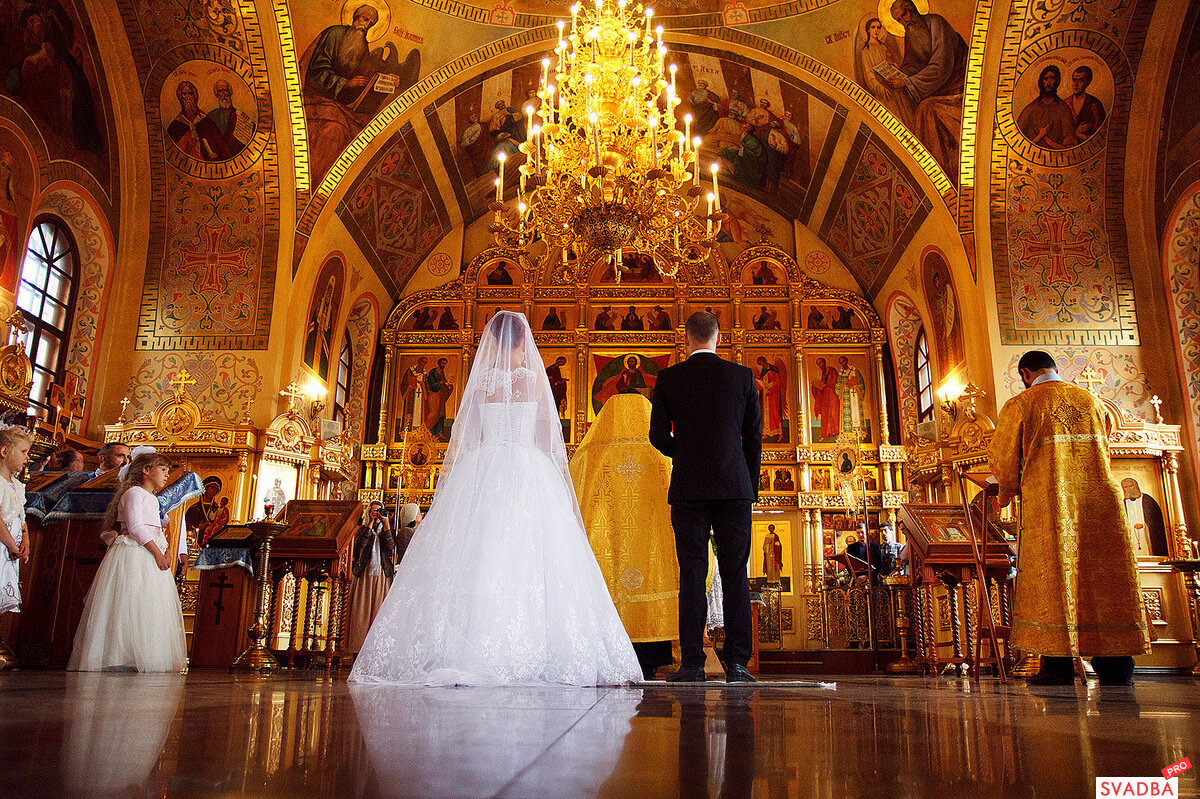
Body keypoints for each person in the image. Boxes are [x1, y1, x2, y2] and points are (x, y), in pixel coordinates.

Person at [350, 312, 640, 685]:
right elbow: (546, 438)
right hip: (528, 471)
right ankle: (529, 648)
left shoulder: (481, 383)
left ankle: (472, 646)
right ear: (522, 344)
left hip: (482, 471)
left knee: (480, 554)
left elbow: (467, 438)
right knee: (531, 557)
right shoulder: (534, 381)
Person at [988, 350, 1150, 686]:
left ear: (1025, 372)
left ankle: (1058, 666)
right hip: (1098, 506)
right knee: (1101, 581)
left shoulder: (1022, 405)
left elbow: (1004, 462)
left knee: (1053, 579)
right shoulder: (1090, 400)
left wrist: (1004, 492)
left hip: (1049, 507)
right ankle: (1117, 666)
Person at [649, 311, 762, 683]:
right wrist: (749, 484)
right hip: (734, 489)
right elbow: (754, 438)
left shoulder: (669, 378)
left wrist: (685, 451)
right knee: (735, 573)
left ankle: (693, 663)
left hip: (689, 489)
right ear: (718, 337)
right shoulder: (742, 377)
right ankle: (739, 664)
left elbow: (657, 437)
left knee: (693, 573)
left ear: (686, 339)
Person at [570, 393, 679, 681]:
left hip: (605, 546)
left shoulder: (590, 454)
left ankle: (605, 658)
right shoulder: (659, 453)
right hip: (652, 546)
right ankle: (652, 659)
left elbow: (574, 500)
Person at [68, 451, 187, 672]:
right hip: (133, 553)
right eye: (163, 470)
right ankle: (118, 655)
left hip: (150, 555)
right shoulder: (134, 494)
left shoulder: (151, 498)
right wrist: (157, 553)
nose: (167, 475)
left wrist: (168, 550)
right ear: (146, 469)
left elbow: (156, 529)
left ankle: (142, 655)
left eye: (168, 471)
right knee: (127, 603)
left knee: (147, 605)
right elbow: (136, 528)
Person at [884, 0, 968, 180]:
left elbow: (941, 65)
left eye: (905, 14)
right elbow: (918, 64)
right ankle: (932, 172)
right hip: (938, 85)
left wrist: (908, 83)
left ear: (913, 9)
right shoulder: (912, 33)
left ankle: (938, 170)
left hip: (958, 82)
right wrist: (901, 72)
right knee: (920, 109)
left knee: (926, 109)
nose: (905, 21)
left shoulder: (936, 23)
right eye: (900, 20)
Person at [347, 501, 396, 654]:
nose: (377, 514)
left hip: (382, 573)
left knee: (378, 611)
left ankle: (376, 650)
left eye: (379, 511)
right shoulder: (362, 529)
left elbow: (391, 548)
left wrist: (386, 525)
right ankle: (358, 648)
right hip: (365, 573)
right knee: (361, 611)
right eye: (373, 511)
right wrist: (369, 524)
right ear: (368, 513)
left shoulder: (387, 530)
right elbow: (360, 545)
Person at [0, 425, 32, 619]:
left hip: (10, 549)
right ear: (4, 451)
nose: (27, 457)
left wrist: (25, 540)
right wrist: (12, 544)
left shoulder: (18, 485)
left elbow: (21, 516)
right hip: (4, 544)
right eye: (23, 451)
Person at [1016, 65, 1078, 150]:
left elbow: (1070, 143)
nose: (1048, 82)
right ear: (1041, 82)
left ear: (1057, 81)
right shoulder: (1031, 108)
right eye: (1045, 79)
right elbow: (1018, 139)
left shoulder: (1063, 108)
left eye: (1052, 78)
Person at [1120, 477, 1168, 558]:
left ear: (1136, 486)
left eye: (1131, 486)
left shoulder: (1148, 500)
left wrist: (1144, 525)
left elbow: (1158, 523)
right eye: (1125, 487)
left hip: (1148, 537)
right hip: (1132, 537)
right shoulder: (1122, 504)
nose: (1128, 489)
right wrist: (1130, 527)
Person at [1066, 65, 1106, 142]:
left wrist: (1077, 134)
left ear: (1087, 82)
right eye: (1074, 80)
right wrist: (1076, 133)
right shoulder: (1066, 103)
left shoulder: (1094, 105)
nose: (1076, 84)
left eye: (1080, 80)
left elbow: (1100, 136)